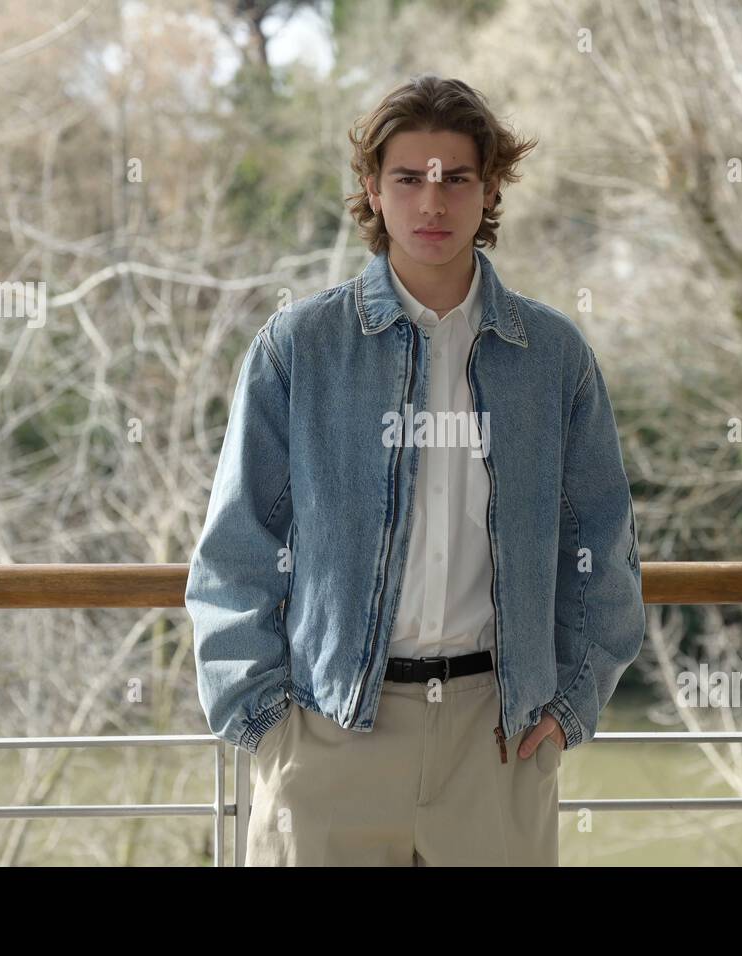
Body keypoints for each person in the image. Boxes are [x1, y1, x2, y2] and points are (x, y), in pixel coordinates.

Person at [186, 73, 645, 866]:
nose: (432, 203)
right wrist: (264, 721)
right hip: (329, 735)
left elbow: (601, 542)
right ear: (374, 186)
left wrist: (571, 706)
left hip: (497, 739)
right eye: (408, 178)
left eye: (456, 178)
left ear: (488, 187)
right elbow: (238, 547)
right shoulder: (298, 347)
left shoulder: (554, 356)